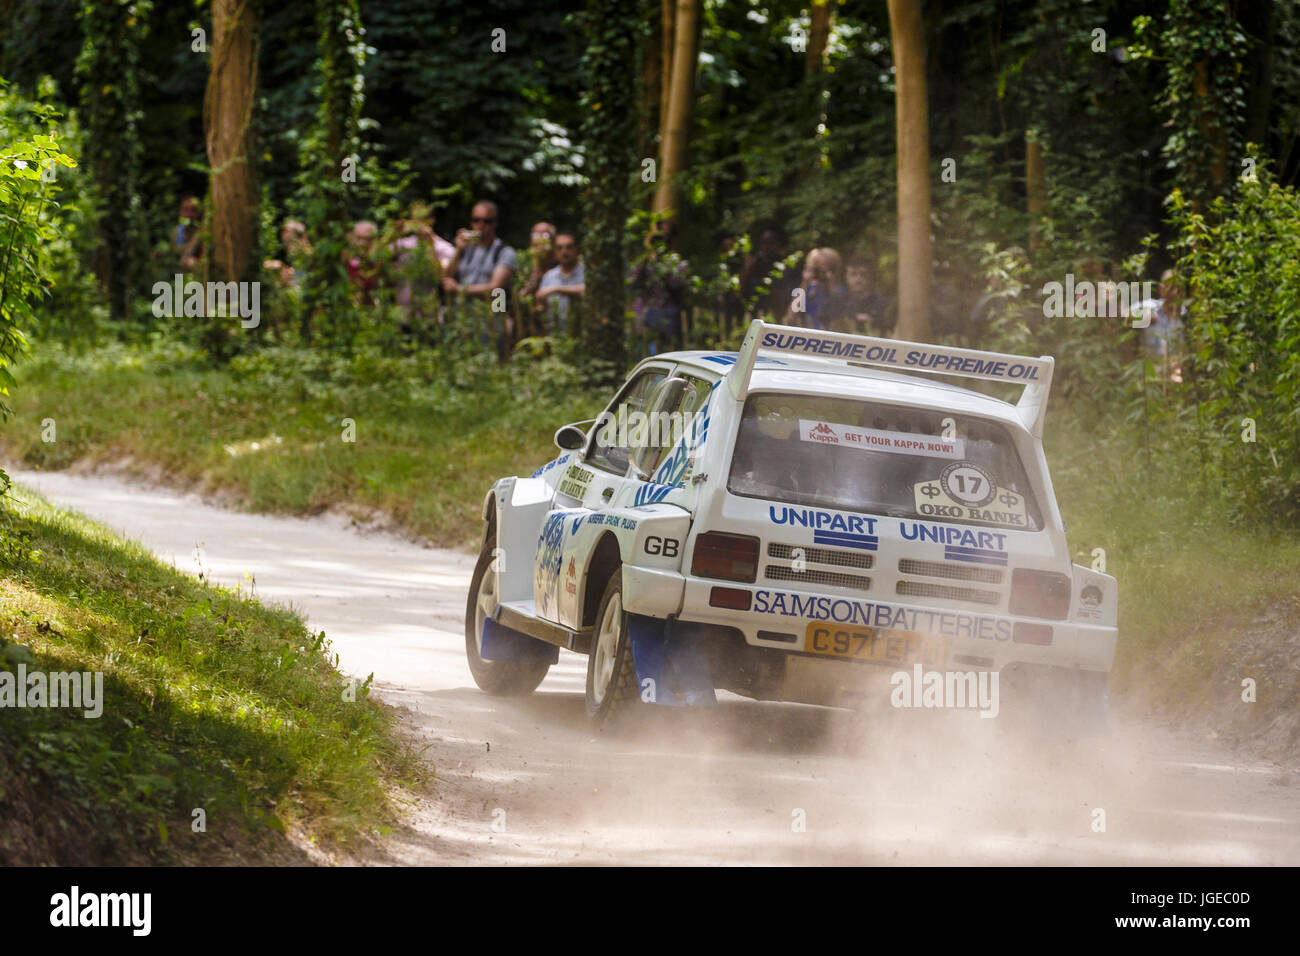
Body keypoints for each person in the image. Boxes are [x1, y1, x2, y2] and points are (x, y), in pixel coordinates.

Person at [629, 225, 688, 356]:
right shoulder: (644, 263)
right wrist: (647, 256)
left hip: (668, 313)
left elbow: (676, 285)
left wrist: (664, 266)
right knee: (644, 352)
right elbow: (632, 282)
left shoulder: (678, 264)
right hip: (645, 313)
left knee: (669, 352)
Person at [1134, 268, 1187, 382]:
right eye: (1170, 287)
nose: (1174, 292)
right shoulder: (1150, 306)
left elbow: (1181, 350)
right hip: (1148, 378)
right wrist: (1140, 316)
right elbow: (1121, 314)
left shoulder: (1182, 314)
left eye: (1178, 288)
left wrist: (1176, 370)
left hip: (1171, 377)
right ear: (1160, 288)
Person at [785, 247, 848, 330]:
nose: (821, 273)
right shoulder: (805, 290)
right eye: (818, 269)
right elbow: (790, 318)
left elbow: (842, 321)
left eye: (826, 269)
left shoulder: (840, 291)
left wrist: (830, 284)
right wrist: (805, 282)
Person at [535, 232, 585, 335]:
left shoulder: (587, 273)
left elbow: (586, 290)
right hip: (555, 334)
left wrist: (556, 289)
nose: (564, 251)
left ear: (577, 250)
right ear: (555, 252)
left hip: (583, 333)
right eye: (559, 248)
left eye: (569, 247)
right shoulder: (549, 276)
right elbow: (541, 305)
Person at [263, 219, 312, 288]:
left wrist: (284, 271)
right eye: (286, 243)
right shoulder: (295, 258)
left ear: (302, 238)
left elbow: (305, 284)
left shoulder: (309, 256)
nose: (288, 247)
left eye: (290, 242)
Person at [345, 220, 380, 304]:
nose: (362, 243)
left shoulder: (380, 259)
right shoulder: (347, 258)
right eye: (358, 239)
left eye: (367, 239)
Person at [176, 196, 203, 271]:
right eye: (185, 210)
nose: (189, 215)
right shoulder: (178, 230)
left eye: (193, 210)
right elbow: (180, 255)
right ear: (180, 212)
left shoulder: (204, 230)